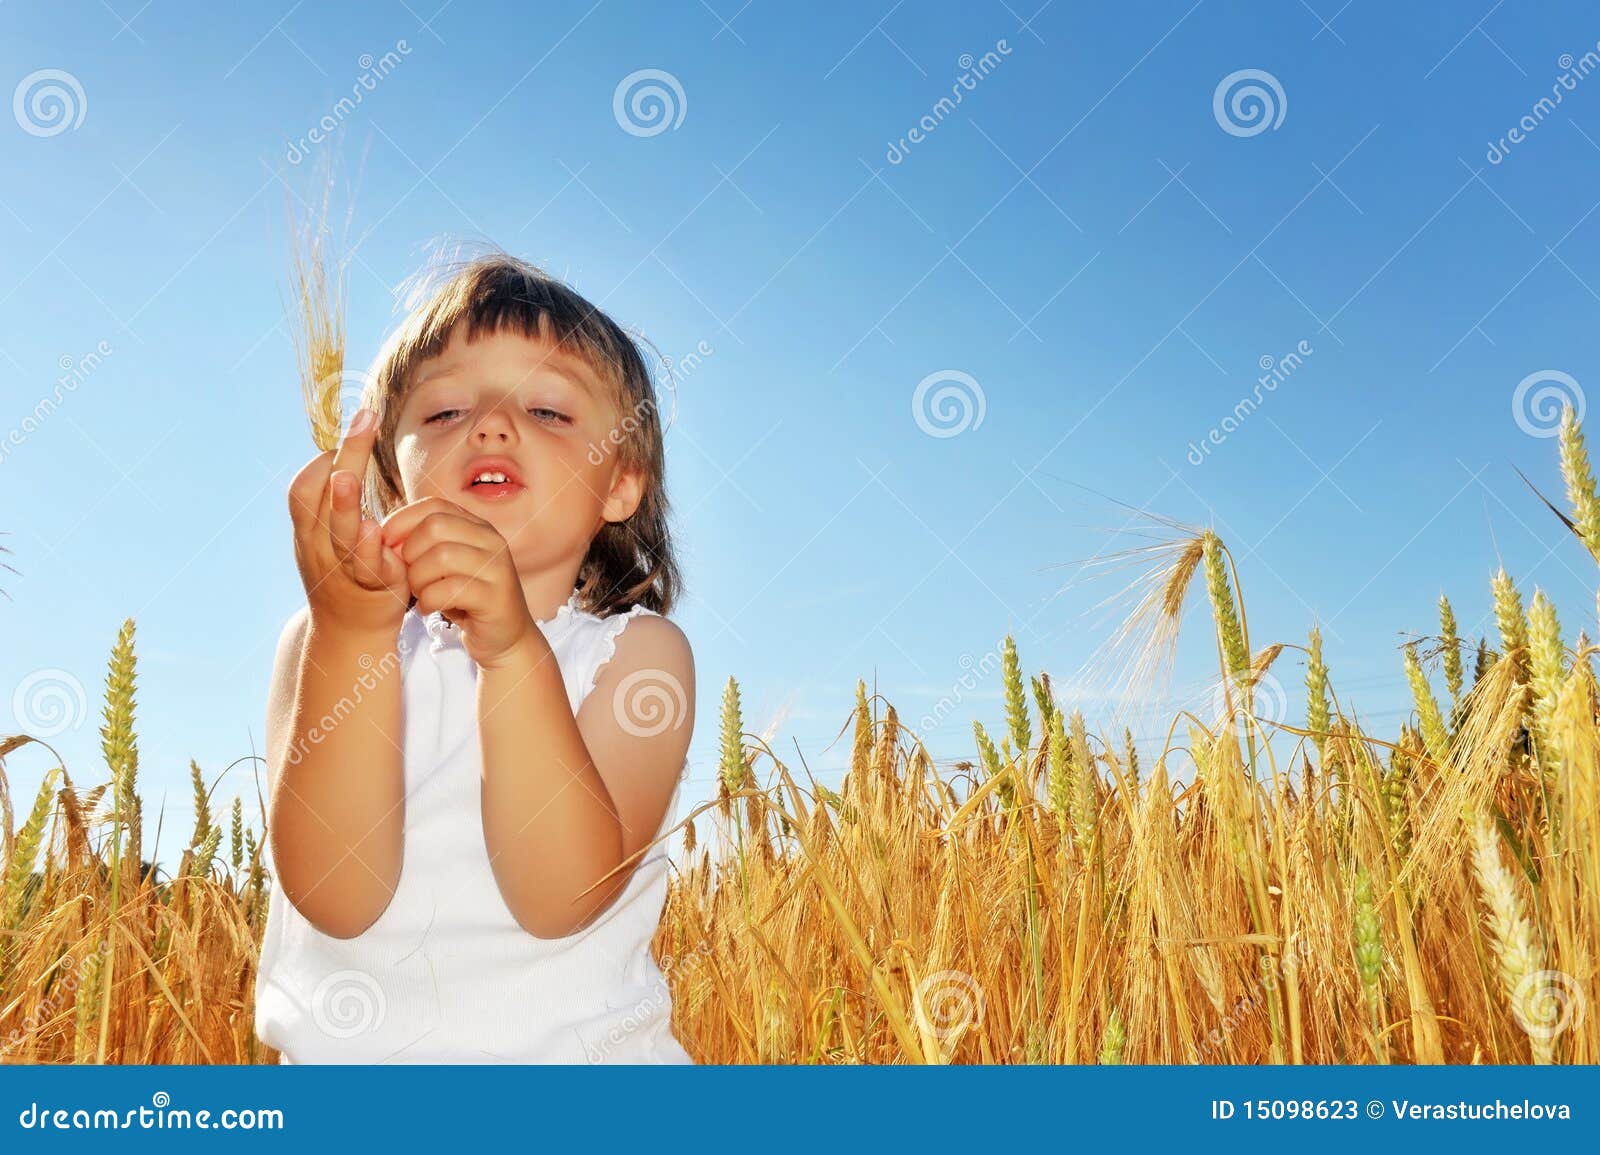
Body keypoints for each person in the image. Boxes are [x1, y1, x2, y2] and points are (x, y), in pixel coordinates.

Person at [254, 251, 696, 1063]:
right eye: (447, 409)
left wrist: (512, 651)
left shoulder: (638, 656)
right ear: (390, 470)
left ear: (622, 484)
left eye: (549, 410)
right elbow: (335, 895)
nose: (492, 422)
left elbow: (560, 894)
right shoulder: (320, 639)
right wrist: (350, 636)